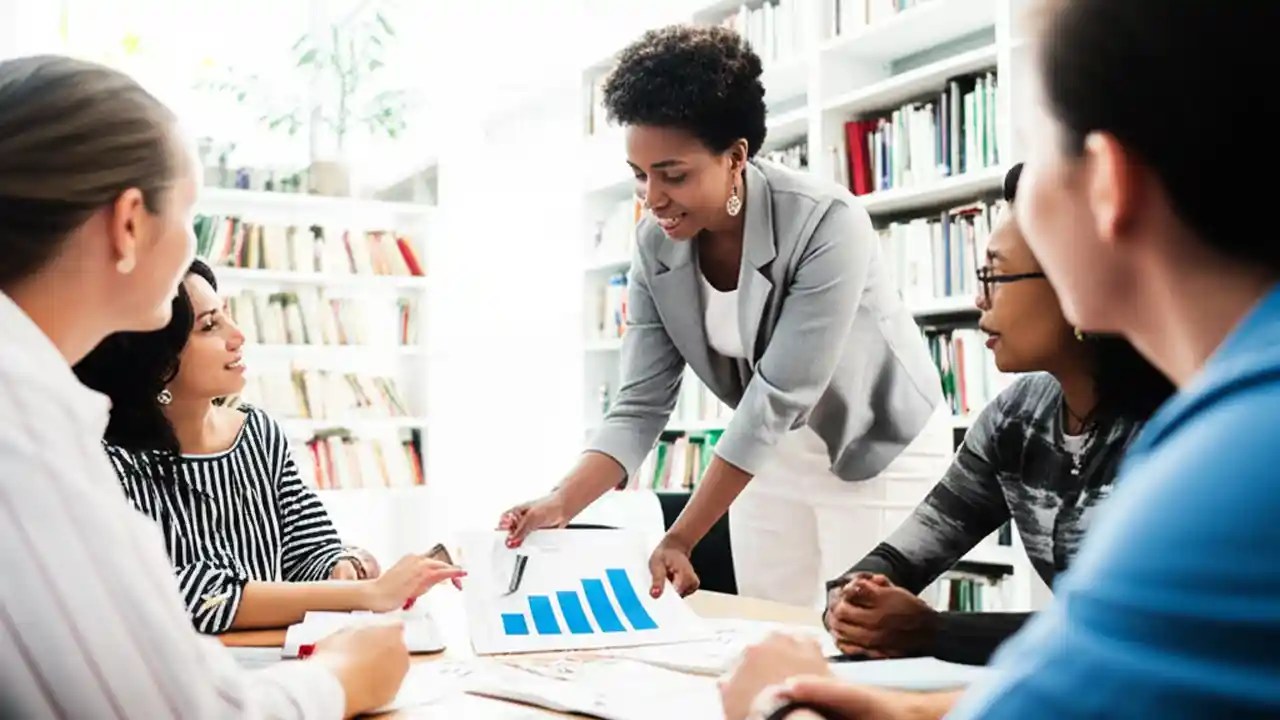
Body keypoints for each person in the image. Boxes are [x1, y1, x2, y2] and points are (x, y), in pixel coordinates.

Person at [719, 0, 1280, 717]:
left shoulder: (1231, 461)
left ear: (1109, 183)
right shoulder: (1222, 414)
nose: (979, 293)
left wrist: (774, 701)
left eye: (1035, 149)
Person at [0, 54, 409, 718]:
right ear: (130, 223)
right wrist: (342, 677)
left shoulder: (45, 409)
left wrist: (340, 574)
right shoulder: (29, 436)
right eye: (190, 212)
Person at [500, 24, 948, 607]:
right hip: (765, 454)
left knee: (867, 635)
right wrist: (561, 501)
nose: (652, 198)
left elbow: (779, 395)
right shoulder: (654, 245)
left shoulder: (827, 221)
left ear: (735, 156)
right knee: (770, 626)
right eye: (639, 175)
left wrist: (682, 536)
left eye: (673, 175)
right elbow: (639, 404)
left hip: (878, 444)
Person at [822, 163, 1173, 665]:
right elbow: (907, 553)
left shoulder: (1178, 427)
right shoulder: (1016, 420)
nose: (978, 298)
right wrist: (853, 599)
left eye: (994, 274)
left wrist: (934, 631)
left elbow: (1142, 628)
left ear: (1074, 283)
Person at [73, 259, 465, 634]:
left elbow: (309, 550)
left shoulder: (259, 434)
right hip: (182, 674)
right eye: (210, 326)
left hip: (276, 664)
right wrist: (367, 594)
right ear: (157, 361)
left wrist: (342, 568)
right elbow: (187, 594)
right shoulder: (108, 461)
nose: (237, 335)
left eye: (227, 314)